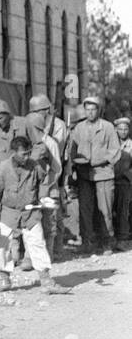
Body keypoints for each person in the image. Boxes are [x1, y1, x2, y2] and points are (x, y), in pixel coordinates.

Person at [0, 132, 59, 293]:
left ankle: (46, 282)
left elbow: (43, 182)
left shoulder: (35, 166)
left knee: (38, 244)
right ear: (13, 153)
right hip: (8, 214)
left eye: (28, 153)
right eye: (23, 154)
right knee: (3, 246)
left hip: (30, 213)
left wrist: (44, 198)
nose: (27, 157)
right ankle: (4, 279)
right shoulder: (3, 169)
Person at [67, 95, 120, 254]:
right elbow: (72, 151)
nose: (90, 113)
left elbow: (115, 151)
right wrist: (76, 164)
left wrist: (98, 160)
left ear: (99, 111)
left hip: (103, 174)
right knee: (85, 209)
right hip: (84, 175)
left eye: (93, 109)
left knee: (105, 210)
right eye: (87, 110)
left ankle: (107, 242)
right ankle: (87, 242)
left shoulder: (108, 127)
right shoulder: (79, 128)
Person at [18, 94, 65, 263]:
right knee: (29, 222)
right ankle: (29, 257)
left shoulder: (50, 143)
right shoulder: (25, 145)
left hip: (47, 189)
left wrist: (46, 185)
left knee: (49, 223)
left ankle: (49, 254)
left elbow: (56, 168)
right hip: (30, 190)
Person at [113, 117, 132, 247]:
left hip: (125, 182)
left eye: (125, 129)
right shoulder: (112, 143)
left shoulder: (131, 145)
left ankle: (123, 237)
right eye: (120, 129)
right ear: (116, 130)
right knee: (110, 209)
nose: (123, 132)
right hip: (111, 180)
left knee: (124, 210)